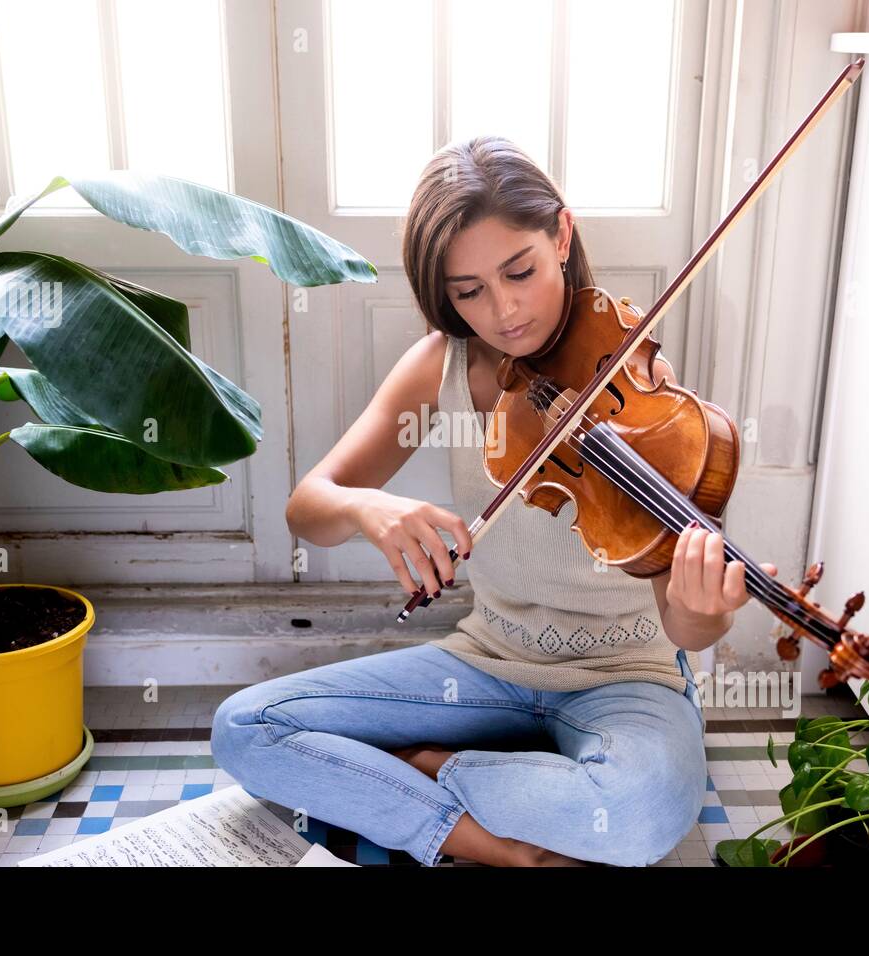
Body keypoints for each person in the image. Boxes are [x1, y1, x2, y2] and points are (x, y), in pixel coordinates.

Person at [210, 135, 778, 867]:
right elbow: (307, 507)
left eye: (521, 271)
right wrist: (368, 510)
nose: (504, 311)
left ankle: (429, 771)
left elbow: (683, 621)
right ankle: (502, 847)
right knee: (247, 726)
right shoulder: (438, 368)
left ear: (562, 236)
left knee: (638, 813)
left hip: (627, 679)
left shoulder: (632, 379)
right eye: (468, 290)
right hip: (484, 665)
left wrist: (703, 614)